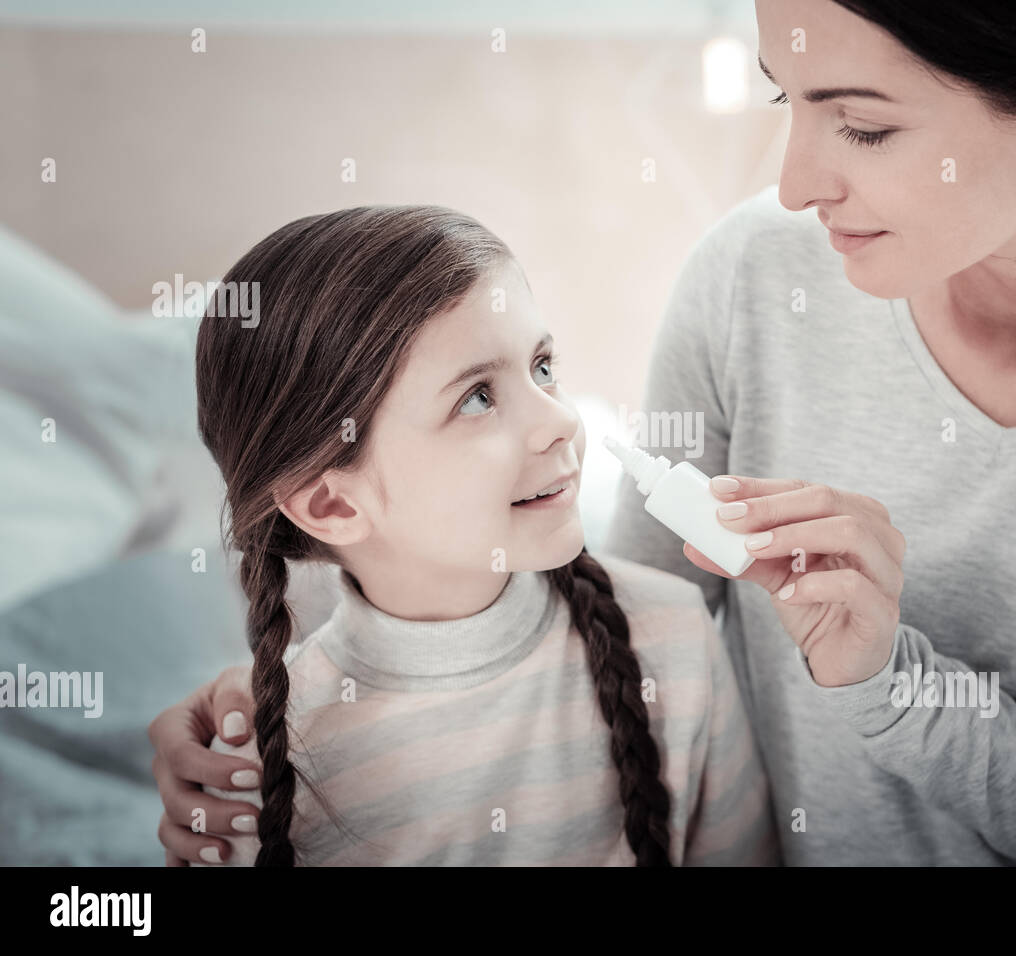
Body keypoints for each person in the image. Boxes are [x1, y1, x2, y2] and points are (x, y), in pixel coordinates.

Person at [153, 0, 1016, 865]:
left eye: (859, 126)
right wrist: (290, 678)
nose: (797, 183)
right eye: (784, 102)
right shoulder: (758, 272)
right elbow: (613, 628)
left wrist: (895, 685)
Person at [164, 204, 777, 865]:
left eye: (542, 367)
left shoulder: (677, 641)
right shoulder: (266, 768)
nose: (561, 422)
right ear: (332, 505)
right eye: (477, 397)